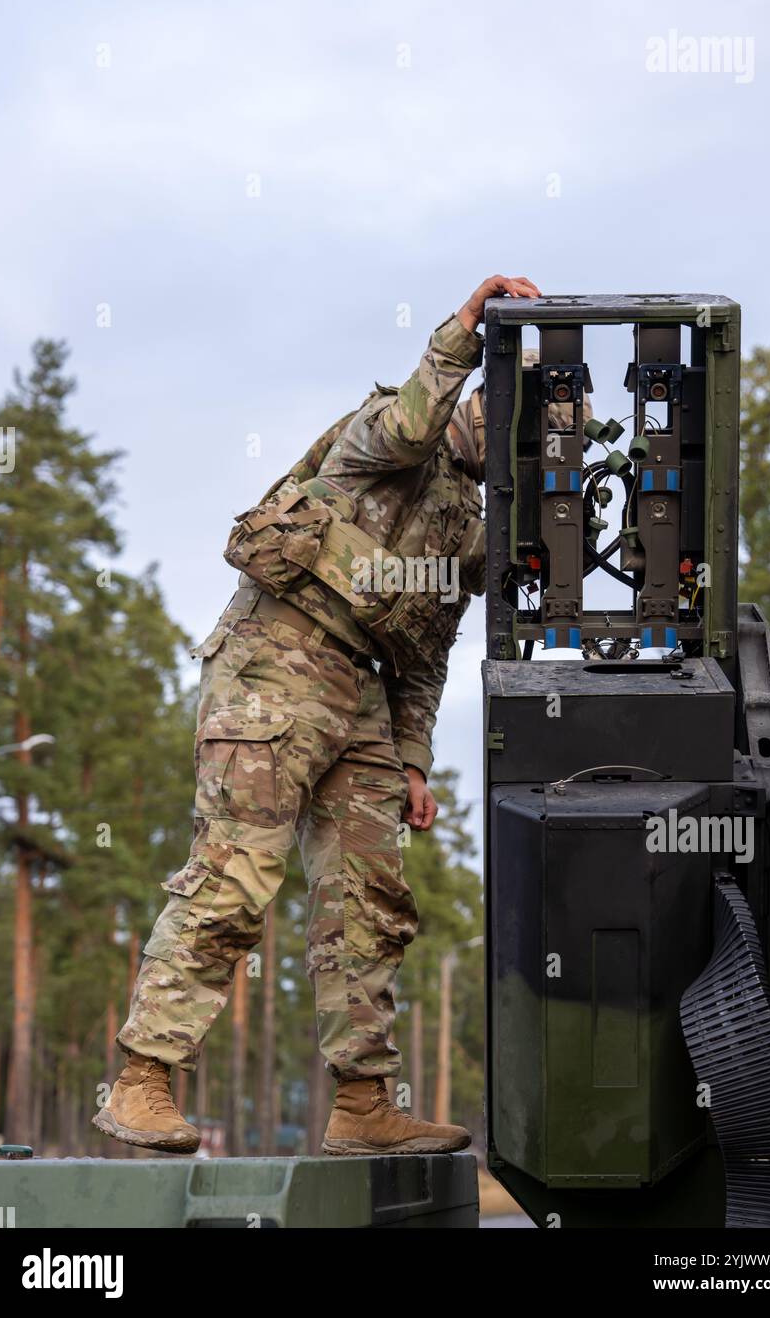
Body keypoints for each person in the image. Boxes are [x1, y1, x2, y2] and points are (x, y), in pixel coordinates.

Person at [93, 274, 541, 1156]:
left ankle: (363, 1105)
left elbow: (431, 645)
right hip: (276, 660)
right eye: (520, 425)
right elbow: (416, 417)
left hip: (364, 694)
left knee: (371, 898)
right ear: (483, 407)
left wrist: (412, 756)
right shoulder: (390, 435)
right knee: (235, 874)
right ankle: (143, 1078)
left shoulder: (472, 526)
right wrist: (464, 327)